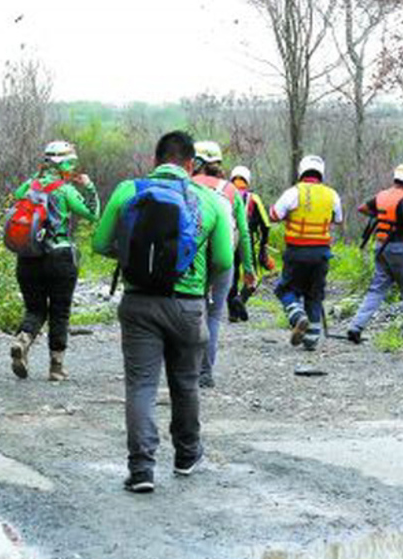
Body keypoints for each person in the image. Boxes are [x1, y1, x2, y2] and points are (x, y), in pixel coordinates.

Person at [92, 131, 232, 494]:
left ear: (155, 162)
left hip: (138, 303)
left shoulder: (128, 191)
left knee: (140, 385)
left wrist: (135, 258)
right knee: (185, 383)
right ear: (190, 164)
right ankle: (186, 456)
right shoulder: (208, 200)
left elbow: (100, 243)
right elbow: (223, 260)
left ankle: (141, 470)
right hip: (187, 307)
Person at [8, 141, 100, 382]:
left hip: (28, 256)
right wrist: (89, 187)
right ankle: (56, 368)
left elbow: (16, 200)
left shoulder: (30, 185)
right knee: (60, 313)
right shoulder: (64, 190)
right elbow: (93, 213)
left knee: (35, 309)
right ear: (64, 164)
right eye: (71, 162)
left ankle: (22, 340)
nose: (73, 167)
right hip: (59, 258)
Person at [190, 141, 254, 389]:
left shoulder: (187, 185)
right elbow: (244, 232)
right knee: (214, 316)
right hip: (223, 258)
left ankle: (190, 368)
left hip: (193, 258)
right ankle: (206, 372)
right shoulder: (230, 190)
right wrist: (248, 269)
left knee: (194, 310)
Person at [269, 155, 343, 351]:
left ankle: (297, 316)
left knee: (285, 290)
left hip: (297, 252)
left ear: (301, 171)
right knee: (315, 294)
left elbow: (274, 215)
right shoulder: (332, 195)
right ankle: (311, 339)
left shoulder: (293, 192)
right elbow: (338, 219)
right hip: (321, 254)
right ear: (321, 173)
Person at [346, 164, 403, 344]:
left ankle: (356, 325)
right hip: (399, 248)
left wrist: (382, 216)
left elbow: (362, 208)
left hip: (381, 247)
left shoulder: (382, 195)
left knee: (377, 289)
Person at [227, 165, 273, 323]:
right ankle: (241, 299)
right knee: (254, 276)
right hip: (248, 243)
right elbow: (266, 224)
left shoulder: (224, 194)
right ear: (247, 180)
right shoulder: (253, 198)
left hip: (228, 241)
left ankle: (232, 313)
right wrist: (263, 247)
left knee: (231, 276)